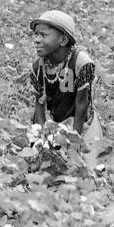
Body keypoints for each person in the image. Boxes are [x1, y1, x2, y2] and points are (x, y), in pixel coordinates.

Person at [29, 10, 101, 139]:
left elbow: (81, 103)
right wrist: (42, 135)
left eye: (44, 35)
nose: (37, 40)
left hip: (83, 126)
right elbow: (39, 105)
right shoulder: (38, 67)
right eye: (36, 34)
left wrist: (75, 138)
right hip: (56, 125)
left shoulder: (81, 63)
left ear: (63, 40)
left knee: (85, 157)